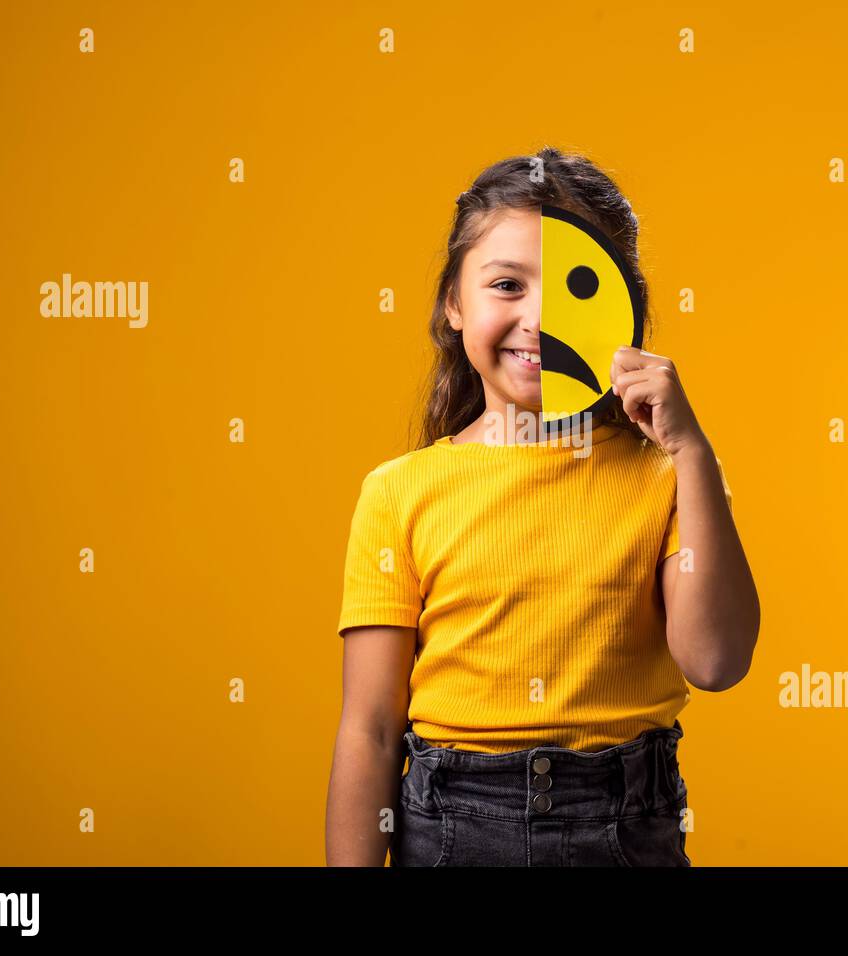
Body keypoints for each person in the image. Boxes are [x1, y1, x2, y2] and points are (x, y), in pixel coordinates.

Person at [325, 147, 759, 866]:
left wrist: (692, 456)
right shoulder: (398, 492)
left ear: (626, 313)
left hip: (625, 827)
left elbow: (715, 661)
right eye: (506, 285)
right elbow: (369, 728)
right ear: (453, 305)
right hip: (451, 829)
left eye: (575, 289)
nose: (539, 319)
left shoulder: (671, 479)